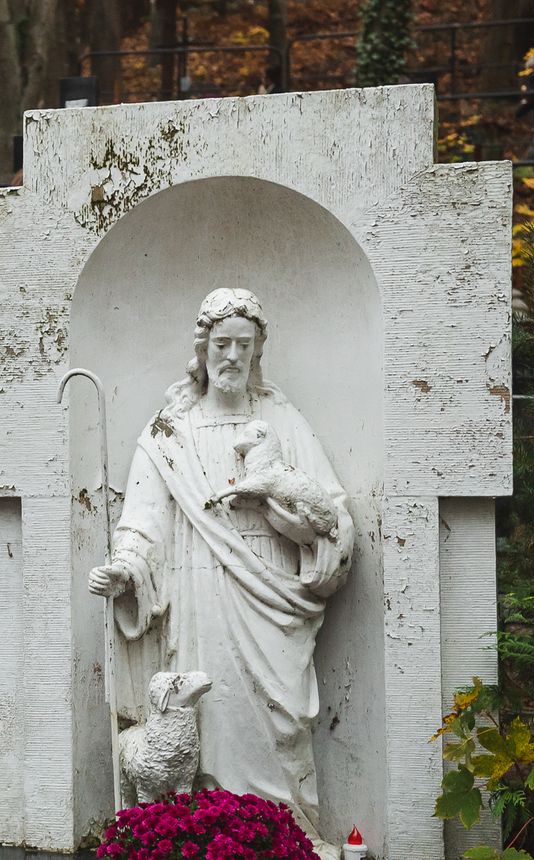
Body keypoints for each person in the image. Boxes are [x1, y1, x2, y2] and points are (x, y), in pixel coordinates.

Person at [87, 288, 353, 851]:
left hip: (274, 590)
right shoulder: (169, 431)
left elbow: (328, 509)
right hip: (198, 587)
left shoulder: (281, 418)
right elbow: (143, 519)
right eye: (221, 343)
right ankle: (207, 837)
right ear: (203, 348)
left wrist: (303, 529)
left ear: (257, 352)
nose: (231, 355)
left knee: (282, 718)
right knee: (213, 717)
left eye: (244, 344)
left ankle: (286, 837)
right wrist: (126, 569)